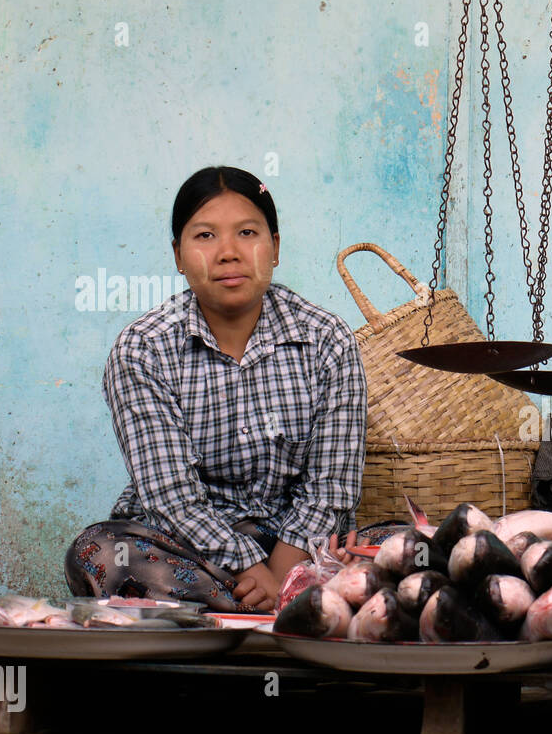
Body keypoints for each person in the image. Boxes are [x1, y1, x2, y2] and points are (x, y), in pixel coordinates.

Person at [65, 166, 367, 612]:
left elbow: (331, 486)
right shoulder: (143, 349)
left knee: (412, 550)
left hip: (301, 548)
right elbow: (170, 495)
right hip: (190, 551)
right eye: (205, 236)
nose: (228, 252)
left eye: (247, 232)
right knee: (99, 553)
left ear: (275, 247)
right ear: (178, 255)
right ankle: (308, 606)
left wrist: (282, 574)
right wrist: (249, 570)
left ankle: (246, 607)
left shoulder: (327, 338)